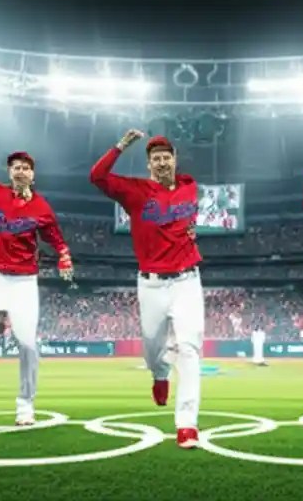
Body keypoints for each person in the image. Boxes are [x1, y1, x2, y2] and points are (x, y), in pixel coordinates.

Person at [90, 129, 204, 449]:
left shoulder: (189, 186)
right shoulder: (134, 191)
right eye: (155, 158)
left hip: (187, 280)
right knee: (153, 349)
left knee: (190, 349)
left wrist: (188, 233)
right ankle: (159, 374)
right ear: (148, 164)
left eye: (166, 156)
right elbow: (96, 176)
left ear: (174, 160)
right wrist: (120, 145)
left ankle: (187, 424)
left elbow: (187, 219)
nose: (162, 162)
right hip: (151, 283)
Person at [0, 136, 73, 426]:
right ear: (9, 172)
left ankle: (25, 404)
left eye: (25, 167)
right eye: (15, 167)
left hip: (23, 281)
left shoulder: (42, 207)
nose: (20, 171)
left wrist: (64, 256)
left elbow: (54, 237)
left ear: (33, 174)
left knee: (28, 344)